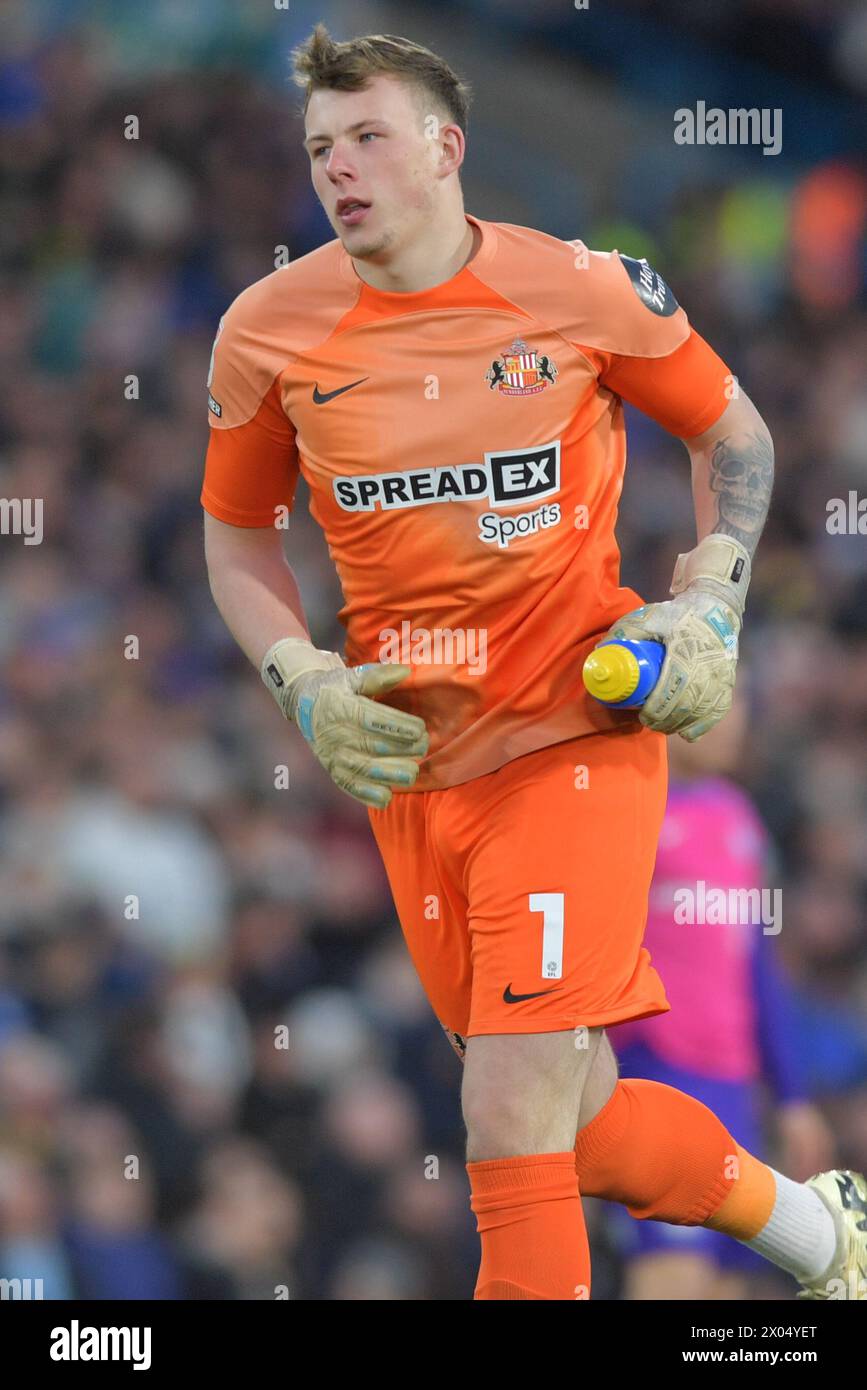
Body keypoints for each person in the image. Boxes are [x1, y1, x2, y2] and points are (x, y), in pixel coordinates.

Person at [200, 23, 865, 1299]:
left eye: (368, 138)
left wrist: (713, 599)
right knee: (579, 1126)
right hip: (409, 772)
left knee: (506, 1119)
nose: (339, 168)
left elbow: (735, 433)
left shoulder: (584, 286)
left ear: (446, 148)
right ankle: (825, 1238)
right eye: (320, 147)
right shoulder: (263, 334)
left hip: (574, 743)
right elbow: (235, 545)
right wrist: (304, 681)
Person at [610, 677, 836, 1299]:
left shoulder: (739, 819)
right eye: (722, 699)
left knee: (725, 1288)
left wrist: (791, 1096)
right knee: (670, 1276)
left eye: (742, 703)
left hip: (732, 1088)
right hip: (655, 1071)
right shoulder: (627, 805)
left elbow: (757, 965)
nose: (734, 719)